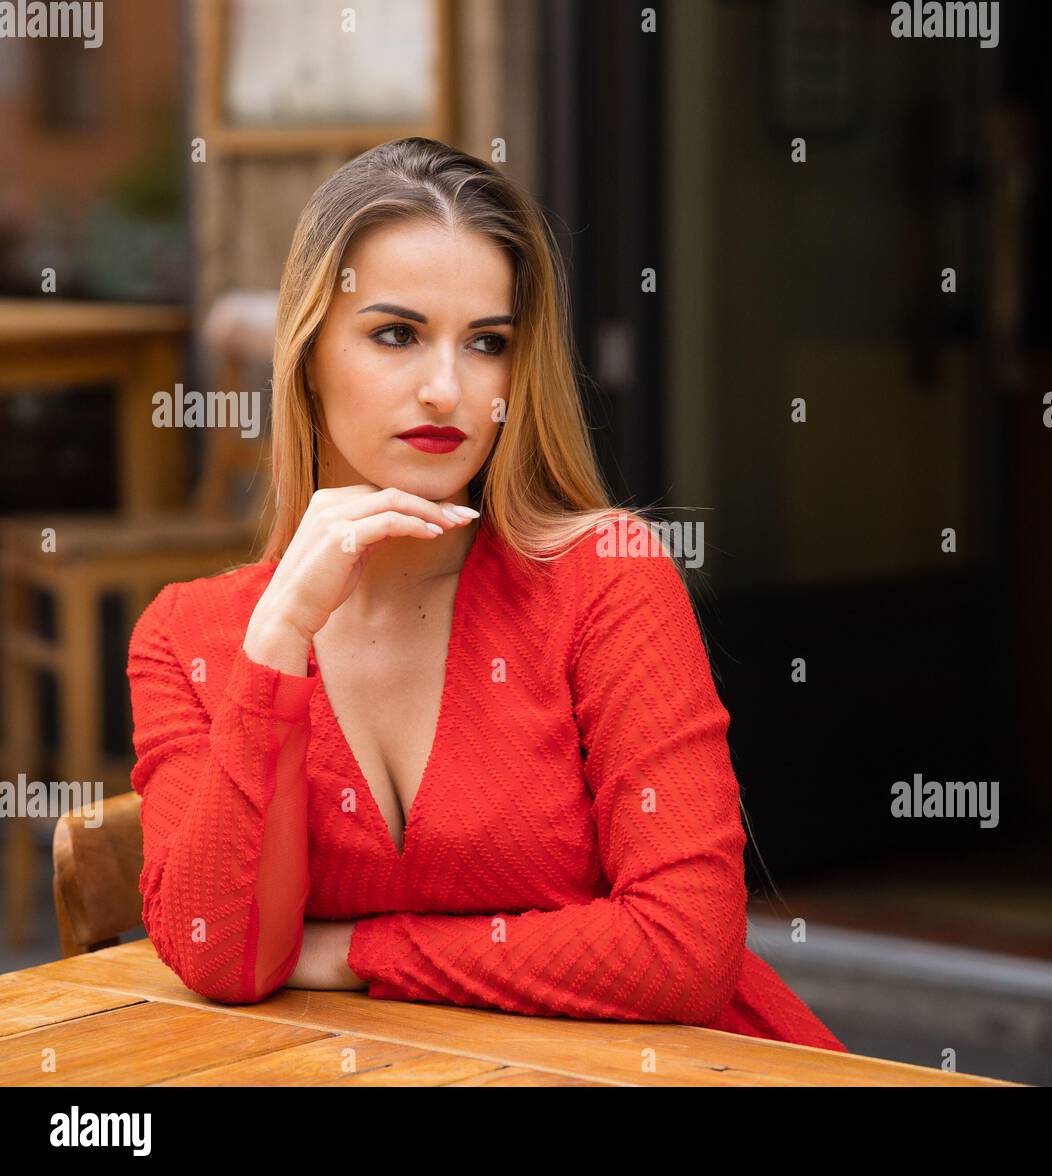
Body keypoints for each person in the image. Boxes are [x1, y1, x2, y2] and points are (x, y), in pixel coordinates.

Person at [126, 137, 848, 1055]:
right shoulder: (191, 635)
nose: (446, 390)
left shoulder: (607, 578)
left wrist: (357, 951)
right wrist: (277, 640)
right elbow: (216, 954)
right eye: (396, 334)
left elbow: (683, 950)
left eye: (487, 344)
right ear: (307, 353)